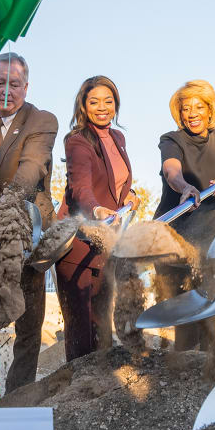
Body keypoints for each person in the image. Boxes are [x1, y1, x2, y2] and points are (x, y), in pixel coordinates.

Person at [0, 52, 58, 391]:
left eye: (15, 84)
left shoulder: (42, 120)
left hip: (27, 225)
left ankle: (18, 394)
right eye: (0, 82)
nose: (7, 91)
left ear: (26, 86)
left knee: (29, 318)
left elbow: (31, 168)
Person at [154, 79, 215, 351]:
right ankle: (183, 379)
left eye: (199, 107)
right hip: (174, 240)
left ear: (210, 111)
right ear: (179, 112)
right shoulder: (171, 140)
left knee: (209, 316)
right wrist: (185, 187)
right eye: (186, 108)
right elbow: (171, 171)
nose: (193, 113)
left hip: (213, 239)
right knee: (185, 320)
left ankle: (208, 375)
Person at [57, 75, 138, 361]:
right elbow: (81, 187)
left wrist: (130, 195)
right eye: (94, 102)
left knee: (102, 326)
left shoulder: (118, 138)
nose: (102, 107)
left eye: (108, 101)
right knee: (81, 332)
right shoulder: (77, 141)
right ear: (83, 105)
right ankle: (75, 398)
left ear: (116, 104)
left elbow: (116, 182)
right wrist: (97, 210)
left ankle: (96, 393)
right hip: (78, 245)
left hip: (107, 244)